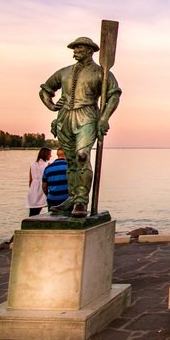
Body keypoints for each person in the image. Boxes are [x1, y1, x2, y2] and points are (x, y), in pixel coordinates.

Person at [39, 36, 121, 217]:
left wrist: (104, 118)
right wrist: (52, 106)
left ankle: (82, 201)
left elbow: (114, 95)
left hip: (88, 116)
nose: (75, 51)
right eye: (74, 49)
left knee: (82, 155)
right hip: (65, 117)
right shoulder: (64, 72)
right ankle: (72, 198)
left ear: (90, 51)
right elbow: (45, 90)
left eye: (79, 48)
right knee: (71, 161)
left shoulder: (102, 73)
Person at [27, 147, 52, 216]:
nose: (51, 156)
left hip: (33, 190)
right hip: (42, 189)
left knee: (32, 213)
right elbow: (48, 180)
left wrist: (31, 190)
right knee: (48, 211)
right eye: (49, 154)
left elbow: (30, 180)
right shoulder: (47, 165)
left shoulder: (32, 164)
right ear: (45, 155)